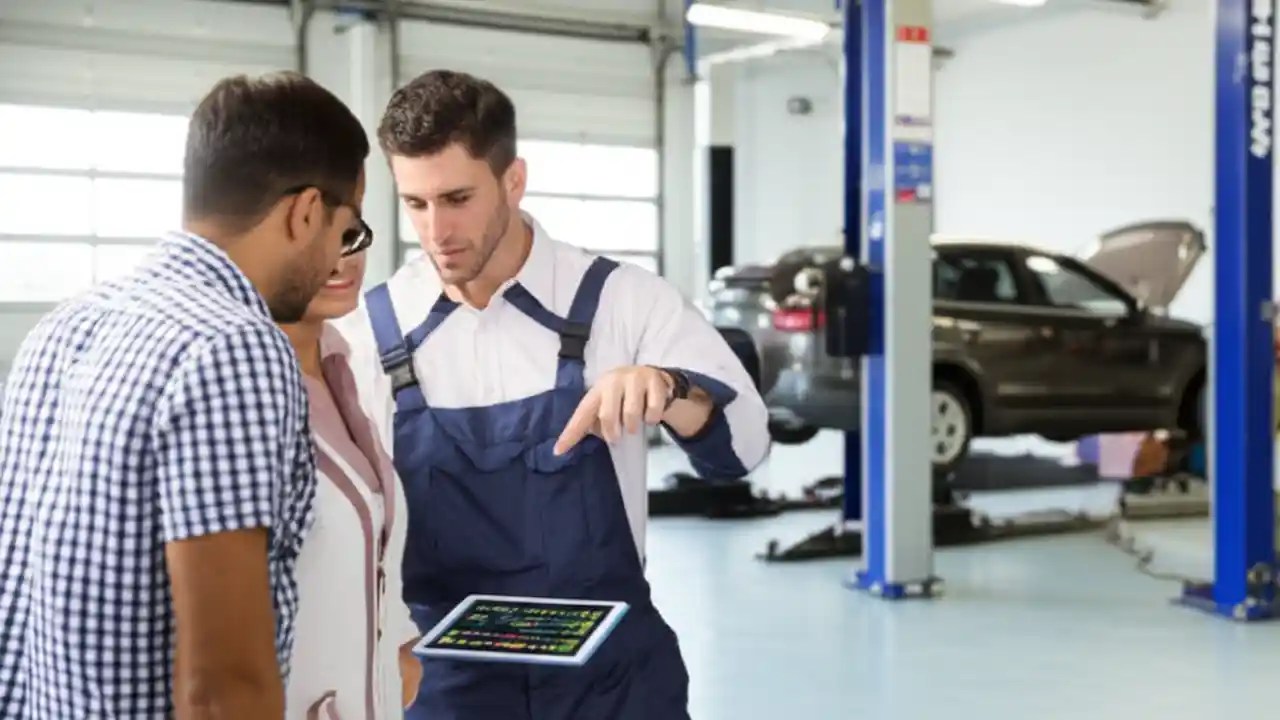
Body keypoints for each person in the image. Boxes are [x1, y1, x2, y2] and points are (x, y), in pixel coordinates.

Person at [333, 69, 771, 719]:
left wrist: (670, 389)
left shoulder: (623, 301)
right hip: (445, 685)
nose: (437, 231)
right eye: (416, 203)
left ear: (513, 180)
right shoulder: (369, 331)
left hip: (611, 684)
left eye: (457, 198)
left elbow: (743, 451)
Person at [0, 72, 369, 719]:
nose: (339, 257)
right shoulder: (234, 346)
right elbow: (222, 687)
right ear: (306, 210)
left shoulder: (64, 326)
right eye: (345, 230)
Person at [277, 219, 424, 719]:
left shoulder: (341, 356)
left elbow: (369, 530)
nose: (342, 260)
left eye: (352, 233)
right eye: (314, 234)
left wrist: (398, 635)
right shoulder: (244, 385)